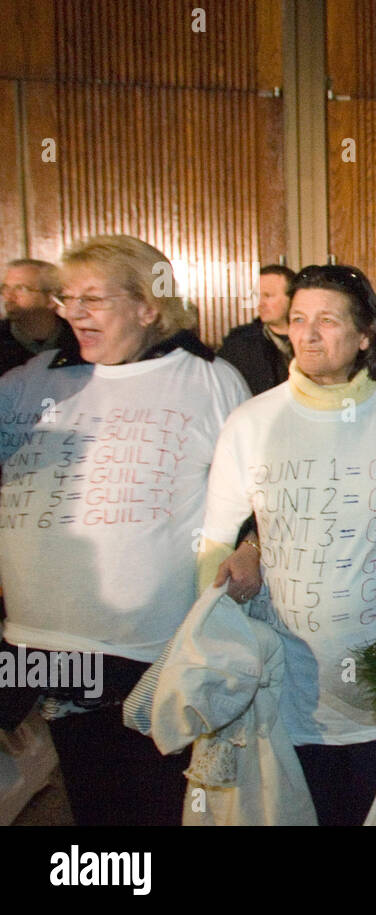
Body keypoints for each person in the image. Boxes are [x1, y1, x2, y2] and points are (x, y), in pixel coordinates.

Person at [0, 235, 250, 825]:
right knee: (86, 792)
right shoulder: (33, 381)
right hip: (39, 637)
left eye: (94, 298)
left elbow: (251, 501)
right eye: (67, 299)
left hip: (143, 642)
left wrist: (252, 550)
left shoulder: (207, 380)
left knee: (155, 792)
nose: (74, 312)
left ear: (148, 307)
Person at [198, 264, 376, 826]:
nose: (307, 333)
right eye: (298, 319)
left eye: (327, 321)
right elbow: (214, 541)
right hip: (286, 681)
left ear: (365, 333)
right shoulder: (252, 422)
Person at [218, 264, 297, 394]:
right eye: (257, 296)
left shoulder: (313, 338)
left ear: (293, 298)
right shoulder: (238, 346)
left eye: (268, 296)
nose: (260, 303)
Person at [0, 258, 75, 376]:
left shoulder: (79, 340)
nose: (9, 297)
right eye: (5, 289)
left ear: (51, 299)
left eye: (21, 289)